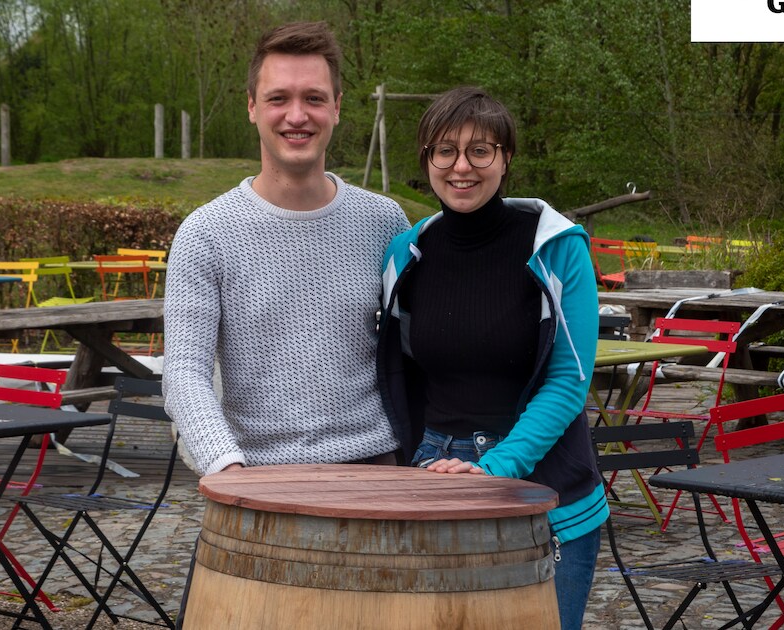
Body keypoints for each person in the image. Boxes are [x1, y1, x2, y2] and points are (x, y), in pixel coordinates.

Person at [377, 86, 606, 630]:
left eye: (480, 150)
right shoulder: (404, 254)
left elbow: (570, 380)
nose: (462, 166)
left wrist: (493, 470)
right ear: (427, 160)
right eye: (445, 150)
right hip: (432, 473)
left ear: (505, 160)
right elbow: (398, 372)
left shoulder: (554, 247)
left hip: (540, 483)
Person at [164, 21, 408, 476]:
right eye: (279, 98)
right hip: (255, 475)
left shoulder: (385, 222)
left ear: (336, 108)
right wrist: (225, 466)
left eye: (313, 98)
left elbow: (420, 347)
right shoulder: (205, 233)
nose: (297, 116)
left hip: (377, 469)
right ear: (252, 107)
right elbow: (184, 374)